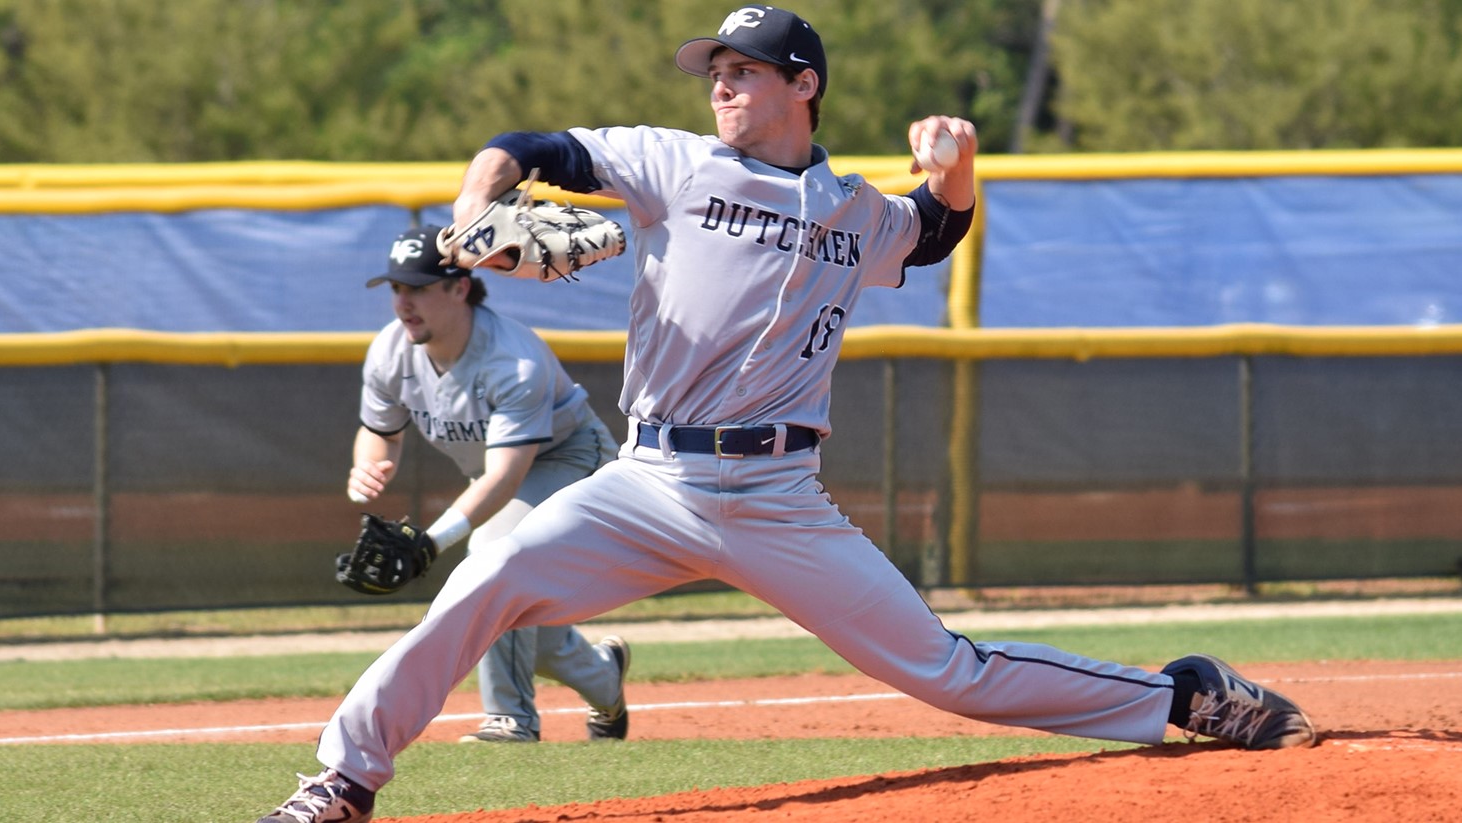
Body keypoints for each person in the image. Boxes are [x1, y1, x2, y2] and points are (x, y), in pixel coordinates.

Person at [256, 6, 1315, 821]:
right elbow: (522, 143)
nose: (720, 84)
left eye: (742, 70)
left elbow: (935, 233)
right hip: (649, 481)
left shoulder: (856, 209)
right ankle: (342, 783)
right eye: (712, 71)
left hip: (775, 495)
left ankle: (1180, 696)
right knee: (486, 579)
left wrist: (957, 170)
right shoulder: (670, 164)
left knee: (947, 672)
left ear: (801, 85)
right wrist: (472, 213)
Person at [343, 225, 631, 746]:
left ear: (459, 286)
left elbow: (505, 476)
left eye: (419, 287)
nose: (404, 302)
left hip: (571, 459)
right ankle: (605, 677)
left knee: (493, 553)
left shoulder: (512, 360)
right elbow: (379, 432)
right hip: (503, 477)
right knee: (527, 629)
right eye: (397, 288)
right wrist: (367, 465)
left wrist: (431, 542)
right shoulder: (391, 351)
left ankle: (510, 720)